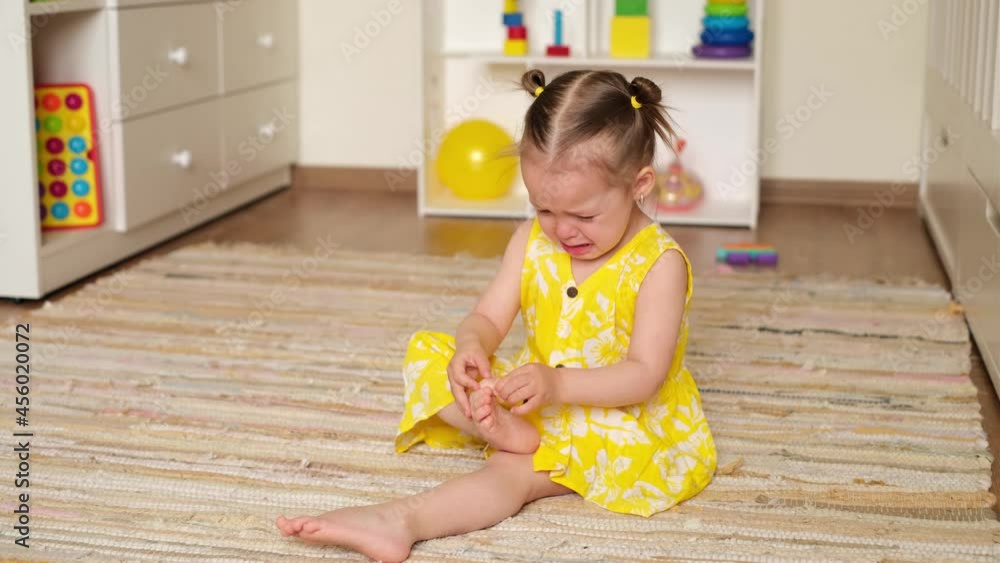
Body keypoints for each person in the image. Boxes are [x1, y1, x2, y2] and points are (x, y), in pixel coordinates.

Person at [275, 69, 717, 563]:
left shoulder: (658, 264)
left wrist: (558, 384)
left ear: (639, 185)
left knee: (513, 472)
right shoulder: (532, 240)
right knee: (429, 355)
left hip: (618, 413)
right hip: (535, 391)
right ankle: (507, 425)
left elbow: (644, 375)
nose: (562, 230)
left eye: (584, 216)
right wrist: (472, 347)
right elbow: (487, 315)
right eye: (544, 209)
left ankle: (402, 520)